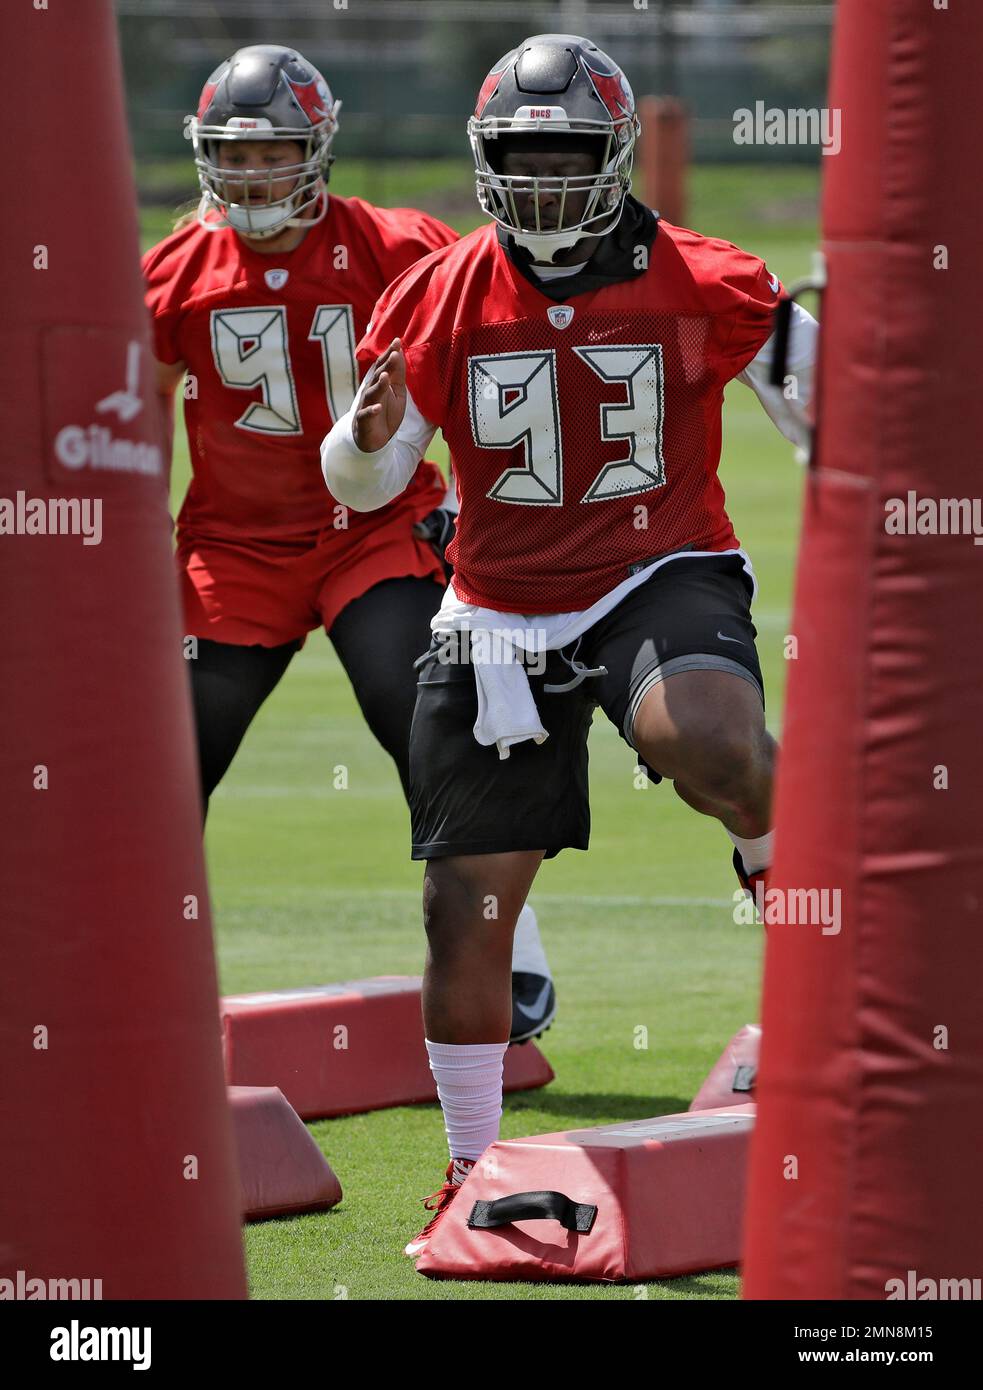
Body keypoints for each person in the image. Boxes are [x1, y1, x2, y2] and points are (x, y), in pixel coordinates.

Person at [320, 32, 819, 1256]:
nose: (543, 183)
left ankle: (773, 861)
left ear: (615, 160)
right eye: (521, 159)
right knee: (464, 912)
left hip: (660, 567)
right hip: (495, 609)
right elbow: (369, 473)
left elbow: (820, 403)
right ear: (486, 163)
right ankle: (468, 1167)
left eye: (568, 157)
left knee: (705, 738)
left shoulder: (703, 274)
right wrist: (358, 434)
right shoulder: (441, 287)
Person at [143, 43, 557, 1044]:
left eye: (272, 152)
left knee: (422, 721)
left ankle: (514, 954)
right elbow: (142, 414)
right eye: (232, 157)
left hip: (371, 529)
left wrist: (472, 497)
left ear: (315, 150)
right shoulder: (171, 271)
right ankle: (139, 984)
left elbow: (480, 344)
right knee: (165, 762)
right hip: (233, 549)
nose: (251, 175)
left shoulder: (391, 241)